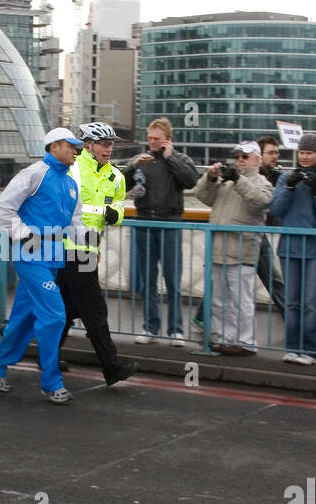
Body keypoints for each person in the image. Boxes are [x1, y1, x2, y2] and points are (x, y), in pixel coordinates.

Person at [0, 128, 82, 402]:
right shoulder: (34, 173)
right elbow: (5, 207)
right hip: (30, 255)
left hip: (54, 256)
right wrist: (25, 236)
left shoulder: (71, 183)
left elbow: (75, 222)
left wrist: (85, 252)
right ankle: (51, 381)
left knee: (25, 317)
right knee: (56, 315)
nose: (76, 150)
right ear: (54, 146)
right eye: (71, 146)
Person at [58, 123, 138, 385]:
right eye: (104, 144)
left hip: (89, 249)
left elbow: (118, 208)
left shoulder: (117, 176)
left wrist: (117, 214)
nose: (109, 149)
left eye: (111, 144)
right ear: (89, 145)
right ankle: (112, 367)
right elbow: (68, 209)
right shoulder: (72, 169)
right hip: (70, 248)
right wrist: (105, 213)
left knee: (67, 310)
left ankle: (46, 356)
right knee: (95, 310)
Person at [123, 117, 200, 344]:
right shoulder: (141, 160)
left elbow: (191, 181)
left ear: (167, 139)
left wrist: (170, 158)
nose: (152, 142)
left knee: (173, 281)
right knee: (148, 281)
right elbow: (120, 186)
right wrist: (133, 166)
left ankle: (176, 330)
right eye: (149, 138)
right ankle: (150, 328)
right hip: (144, 223)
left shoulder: (180, 159)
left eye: (157, 138)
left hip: (169, 224)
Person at [194, 141, 274, 355]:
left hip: (242, 251)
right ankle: (224, 338)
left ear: (257, 159)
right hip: (219, 249)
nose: (240, 160)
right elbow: (202, 196)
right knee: (220, 300)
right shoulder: (226, 182)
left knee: (242, 301)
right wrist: (210, 178)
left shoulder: (261, 181)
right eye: (237, 156)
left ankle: (246, 342)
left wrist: (238, 179)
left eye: (245, 156)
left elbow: (260, 201)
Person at [270, 134, 316, 364]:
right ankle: (292, 347)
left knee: (310, 302)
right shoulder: (286, 178)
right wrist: (289, 187)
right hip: (289, 247)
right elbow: (276, 210)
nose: (305, 157)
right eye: (302, 152)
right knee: (292, 301)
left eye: (310, 153)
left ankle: (309, 351)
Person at [254, 136, 287, 312]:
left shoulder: (275, 176)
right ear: (259, 154)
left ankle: (201, 315)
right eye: (271, 153)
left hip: (258, 234)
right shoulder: (253, 175)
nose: (275, 156)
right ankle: (291, 316)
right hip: (250, 234)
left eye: (277, 153)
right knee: (274, 280)